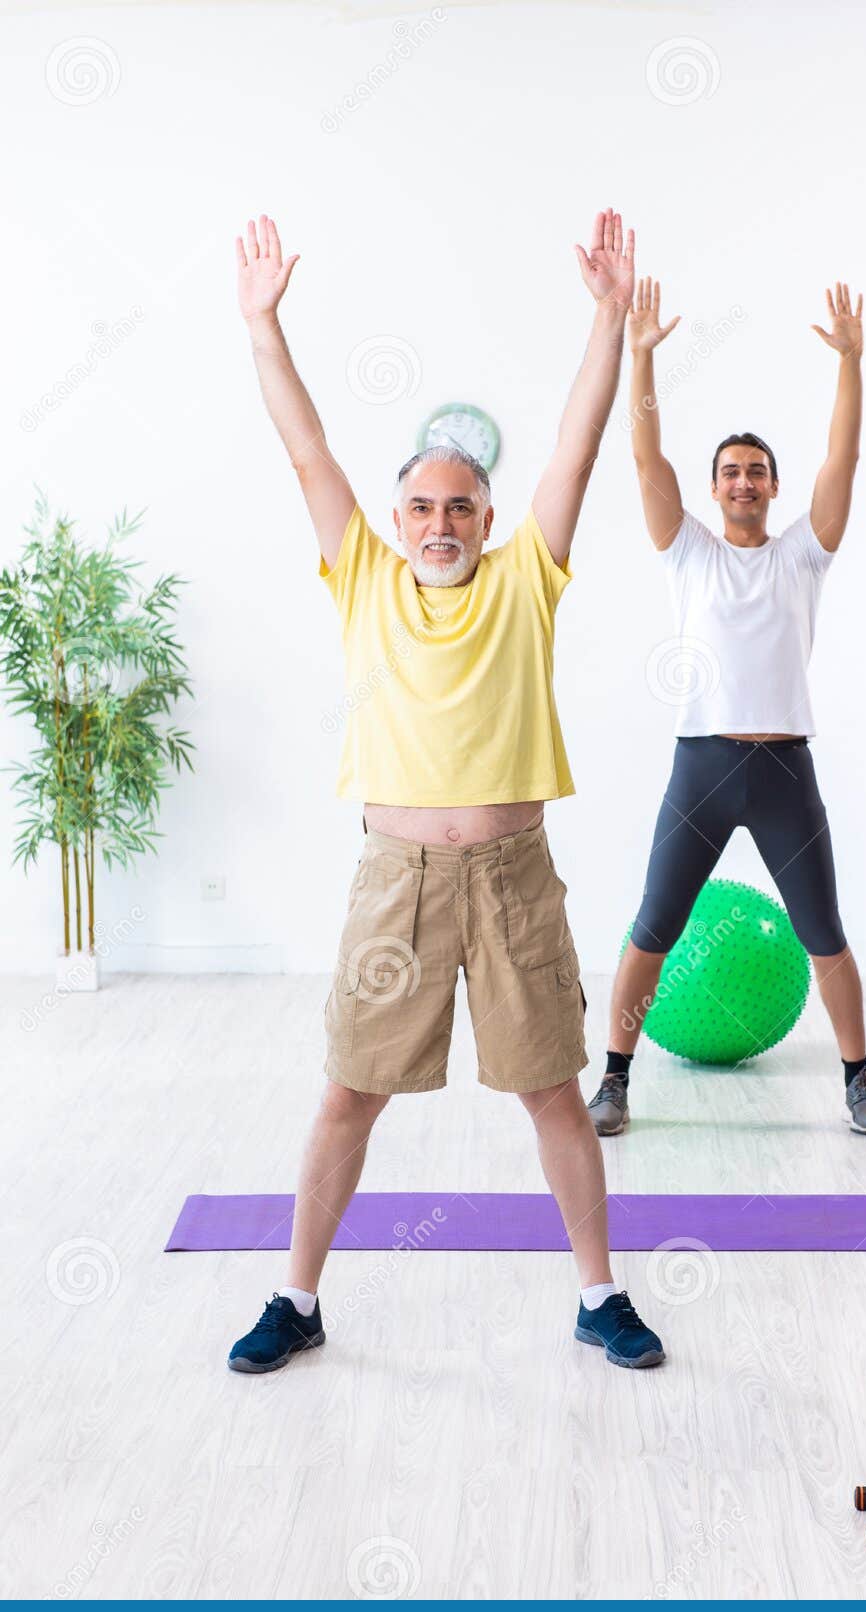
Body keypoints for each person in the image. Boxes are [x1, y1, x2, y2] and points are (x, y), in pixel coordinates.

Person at [227, 211, 665, 1374]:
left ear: (487, 516)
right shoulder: (363, 574)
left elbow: (573, 449)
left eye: (460, 505)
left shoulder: (527, 579)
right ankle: (298, 1299)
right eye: (419, 505)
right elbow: (307, 448)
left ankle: (598, 1295)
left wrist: (608, 319)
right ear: (397, 516)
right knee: (346, 1097)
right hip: (396, 885)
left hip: (514, 883)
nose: (437, 523)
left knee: (554, 1095)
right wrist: (265, 326)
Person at [587, 278, 866, 1139]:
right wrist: (641, 357)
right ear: (717, 488)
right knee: (652, 926)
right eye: (730, 471)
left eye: (756, 470)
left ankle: (859, 1083)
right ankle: (613, 1081)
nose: (743, 480)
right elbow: (646, 459)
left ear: (772, 485)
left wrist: (850, 364)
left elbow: (845, 459)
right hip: (704, 766)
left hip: (783, 770)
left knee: (825, 933)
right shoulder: (688, 553)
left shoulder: (804, 555)